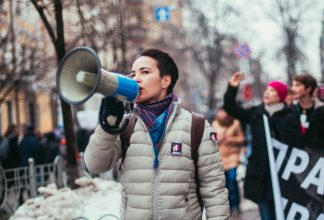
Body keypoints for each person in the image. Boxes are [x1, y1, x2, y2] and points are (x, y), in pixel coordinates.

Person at [84, 48, 229, 220]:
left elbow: (213, 187)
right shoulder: (124, 125)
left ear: (165, 80)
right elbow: (95, 165)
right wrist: (107, 127)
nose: (136, 78)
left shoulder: (195, 125)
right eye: (132, 74)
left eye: (145, 72)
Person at [223, 72, 291, 220]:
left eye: (272, 90)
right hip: (261, 177)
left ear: (280, 96)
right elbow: (230, 107)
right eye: (267, 89)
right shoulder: (256, 113)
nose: (267, 92)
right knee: (267, 216)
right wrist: (233, 87)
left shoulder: (290, 116)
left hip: (284, 176)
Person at [211, 107, 245, 215]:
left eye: (223, 111)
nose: (221, 113)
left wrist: (231, 139)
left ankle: (236, 205)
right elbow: (210, 139)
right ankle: (229, 205)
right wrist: (217, 139)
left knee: (233, 180)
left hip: (232, 156)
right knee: (224, 183)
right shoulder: (214, 124)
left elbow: (241, 138)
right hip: (221, 157)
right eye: (220, 111)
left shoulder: (235, 123)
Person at [289, 74, 324, 144]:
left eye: (297, 85)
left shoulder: (322, 111)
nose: (292, 89)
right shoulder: (289, 110)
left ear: (308, 88)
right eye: (292, 85)